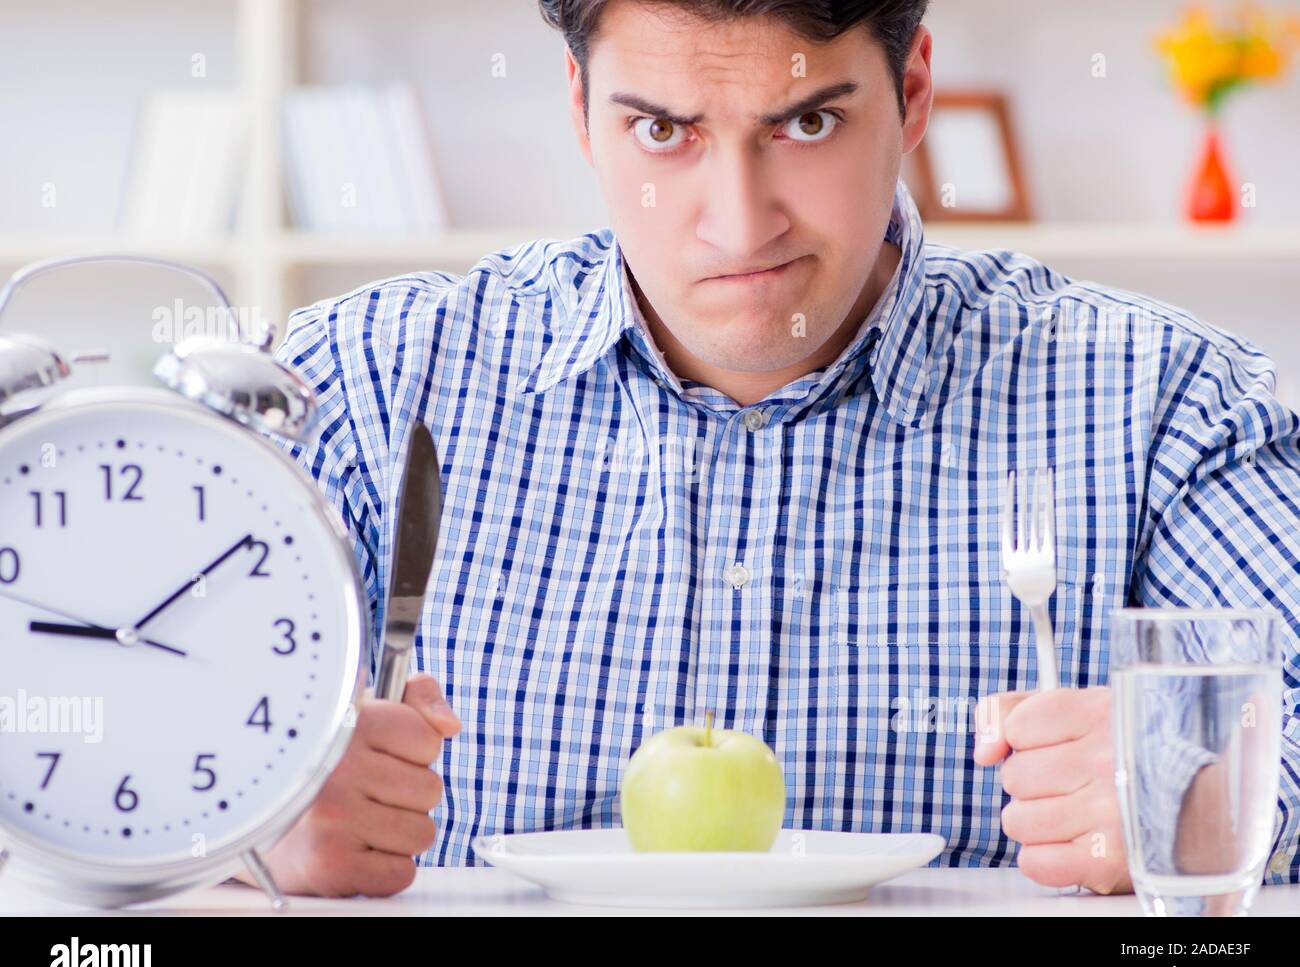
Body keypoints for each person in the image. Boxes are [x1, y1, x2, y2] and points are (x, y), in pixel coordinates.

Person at [236, 0, 1300, 897]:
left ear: (913, 93)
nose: (738, 227)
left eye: (805, 124)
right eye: (664, 133)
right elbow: (109, 756)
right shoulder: (366, 386)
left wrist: (1204, 807)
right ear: (578, 107)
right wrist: (248, 823)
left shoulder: (1165, 405)